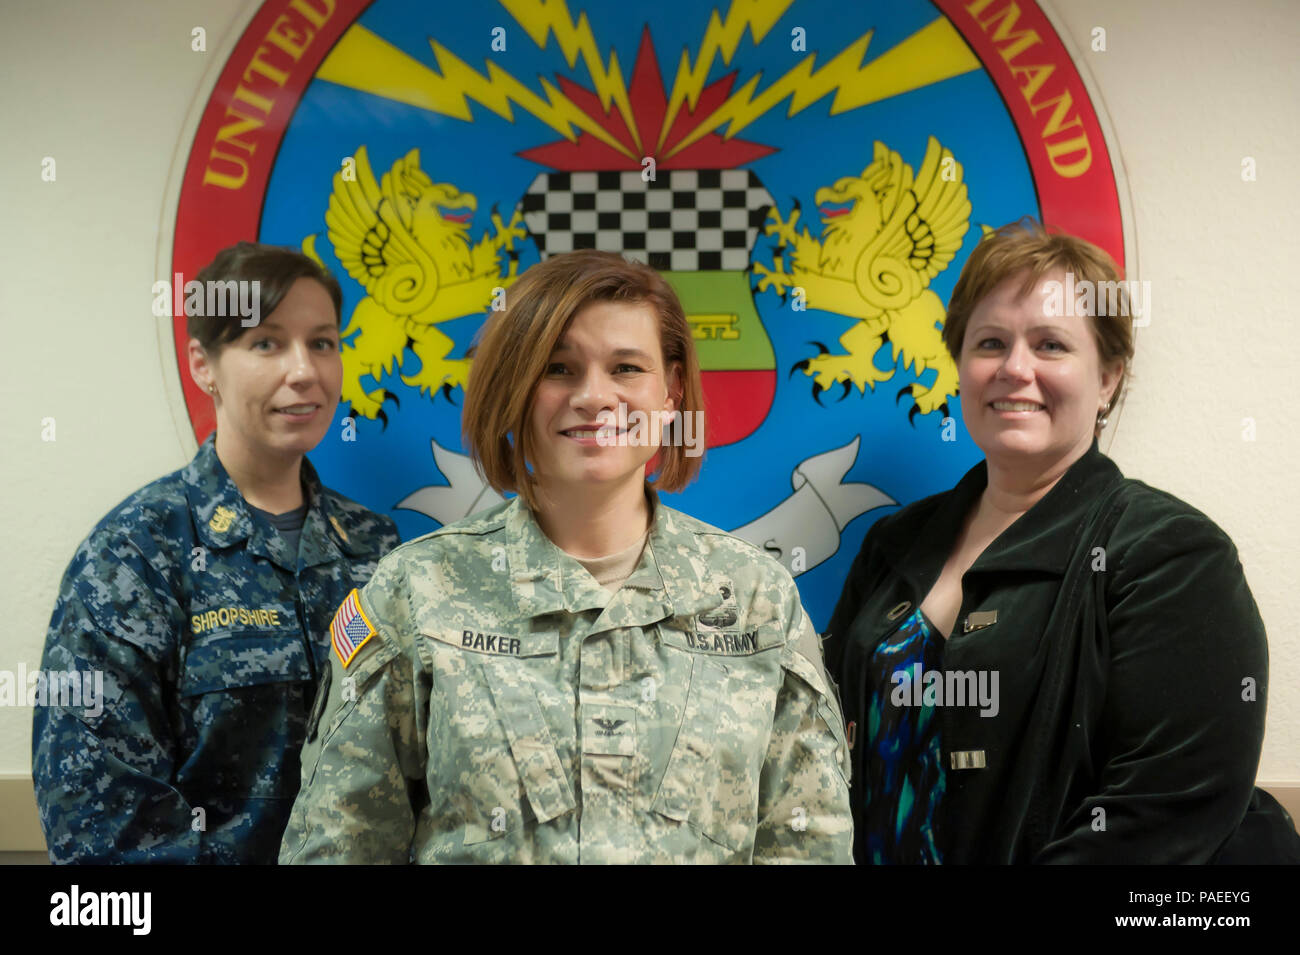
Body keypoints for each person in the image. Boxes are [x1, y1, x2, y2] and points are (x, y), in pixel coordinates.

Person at [280, 249, 853, 864]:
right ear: (516, 390)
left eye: (627, 367)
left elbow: (807, 845)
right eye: (558, 369)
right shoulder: (418, 592)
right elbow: (339, 846)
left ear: (672, 391)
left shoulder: (754, 598)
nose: (593, 397)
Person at [823, 219, 1300, 864]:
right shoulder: (893, 543)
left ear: (1107, 378)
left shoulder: (1172, 556)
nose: (1015, 369)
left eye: (1050, 345)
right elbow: (823, 751)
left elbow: (1158, 818)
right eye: (990, 342)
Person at [32, 242, 399, 864]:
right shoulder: (136, 554)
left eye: (323, 342)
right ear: (203, 364)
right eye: (266, 343)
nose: (304, 370)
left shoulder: (377, 547)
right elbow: (101, 825)